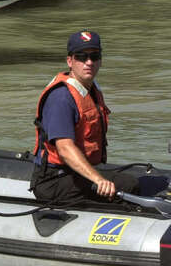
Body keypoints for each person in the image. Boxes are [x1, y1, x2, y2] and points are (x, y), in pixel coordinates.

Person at [30, 30, 140, 206]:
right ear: (70, 61)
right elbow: (64, 149)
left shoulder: (91, 90)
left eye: (94, 56)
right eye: (81, 57)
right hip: (54, 181)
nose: (89, 62)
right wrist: (98, 180)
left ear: (100, 60)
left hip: (76, 174)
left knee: (137, 179)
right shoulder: (61, 98)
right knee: (129, 185)